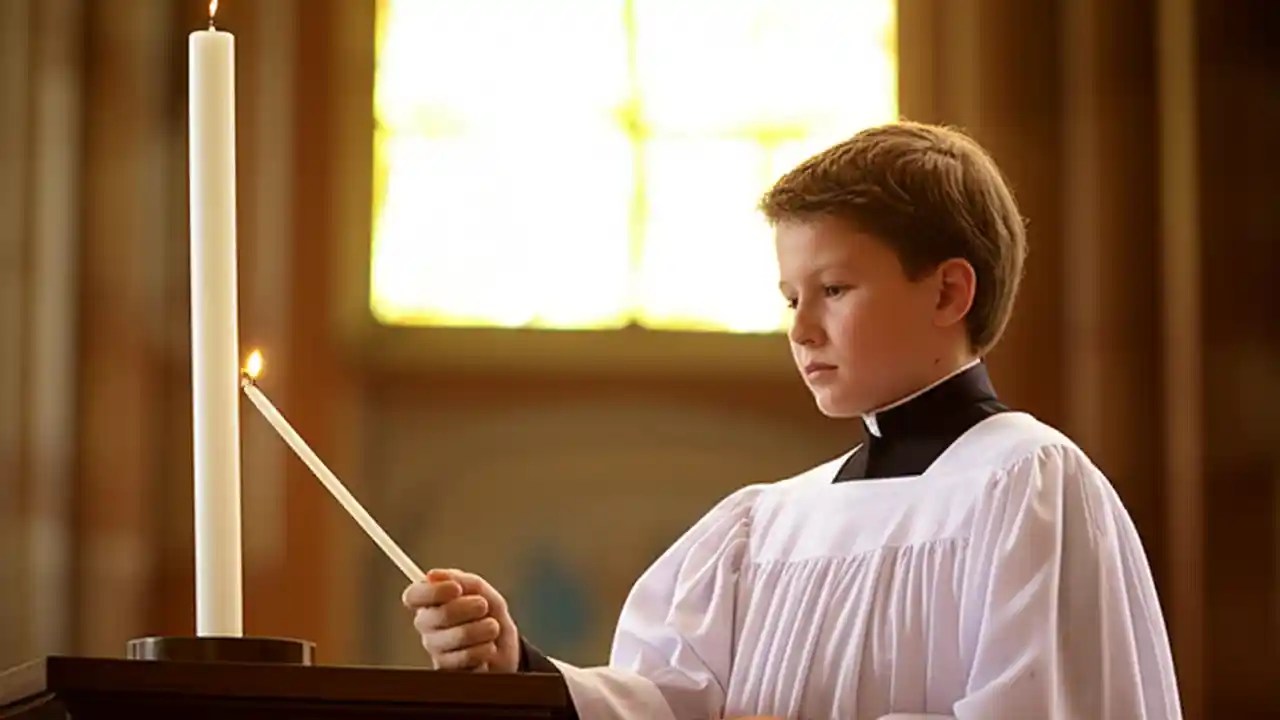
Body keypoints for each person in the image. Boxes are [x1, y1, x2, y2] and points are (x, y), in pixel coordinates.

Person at [401, 121, 1183, 720]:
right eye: (789, 298)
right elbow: (667, 702)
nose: (801, 328)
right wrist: (522, 669)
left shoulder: (1026, 483)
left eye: (835, 289)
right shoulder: (764, 526)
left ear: (948, 293)